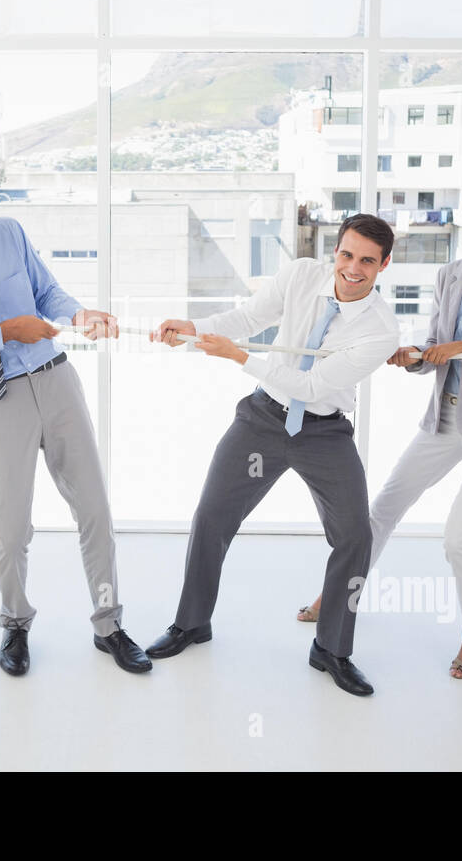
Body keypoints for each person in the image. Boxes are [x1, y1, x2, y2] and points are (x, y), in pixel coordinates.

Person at [0, 150, 151, 676]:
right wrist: (5, 332)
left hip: (57, 380)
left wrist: (78, 314)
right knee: (10, 528)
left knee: (96, 512)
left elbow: (46, 292)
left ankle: (109, 624)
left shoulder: (8, 232)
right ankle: (15, 623)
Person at [295, 185, 462, 679]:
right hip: (444, 418)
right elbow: (436, 347)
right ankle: (340, 593)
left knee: (459, 540)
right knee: (382, 509)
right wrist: (414, 357)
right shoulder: (450, 274)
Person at [144, 213, 401, 696]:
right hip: (263, 418)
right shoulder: (303, 275)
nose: (353, 268)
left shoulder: (381, 330)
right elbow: (246, 318)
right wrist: (195, 327)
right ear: (335, 252)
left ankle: (331, 649)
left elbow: (311, 385)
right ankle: (192, 623)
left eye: (367, 260)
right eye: (346, 254)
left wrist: (240, 358)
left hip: (324, 433)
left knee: (354, 535)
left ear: (383, 264)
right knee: (212, 516)